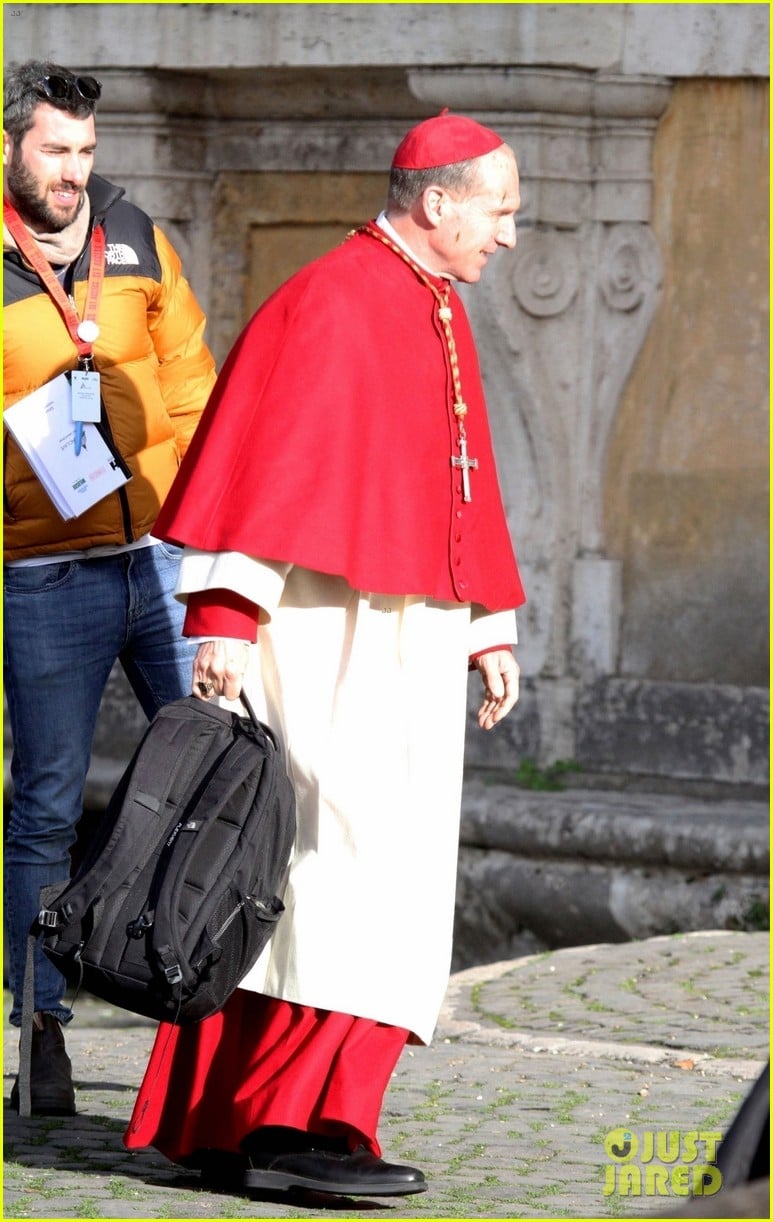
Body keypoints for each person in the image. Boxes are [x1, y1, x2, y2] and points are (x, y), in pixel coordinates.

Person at [124, 111, 525, 1198]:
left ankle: (296, 1115)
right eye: (500, 210)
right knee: (323, 875)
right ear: (437, 203)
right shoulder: (332, 301)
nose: (509, 235)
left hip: (410, 644)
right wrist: (222, 621)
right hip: (324, 639)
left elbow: (460, 477)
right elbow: (269, 474)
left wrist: (488, 620)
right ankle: (280, 1121)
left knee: (387, 880)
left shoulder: (436, 304)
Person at [3, 60, 217, 1116]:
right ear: (12, 147)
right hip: (41, 575)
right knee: (44, 809)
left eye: (86, 151)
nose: (74, 173)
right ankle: (41, 1029)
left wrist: (184, 516)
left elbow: (189, 383)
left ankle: (200, 1016)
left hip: (159, 560)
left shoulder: (130, 234)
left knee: (219, 775)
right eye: (54, 150)